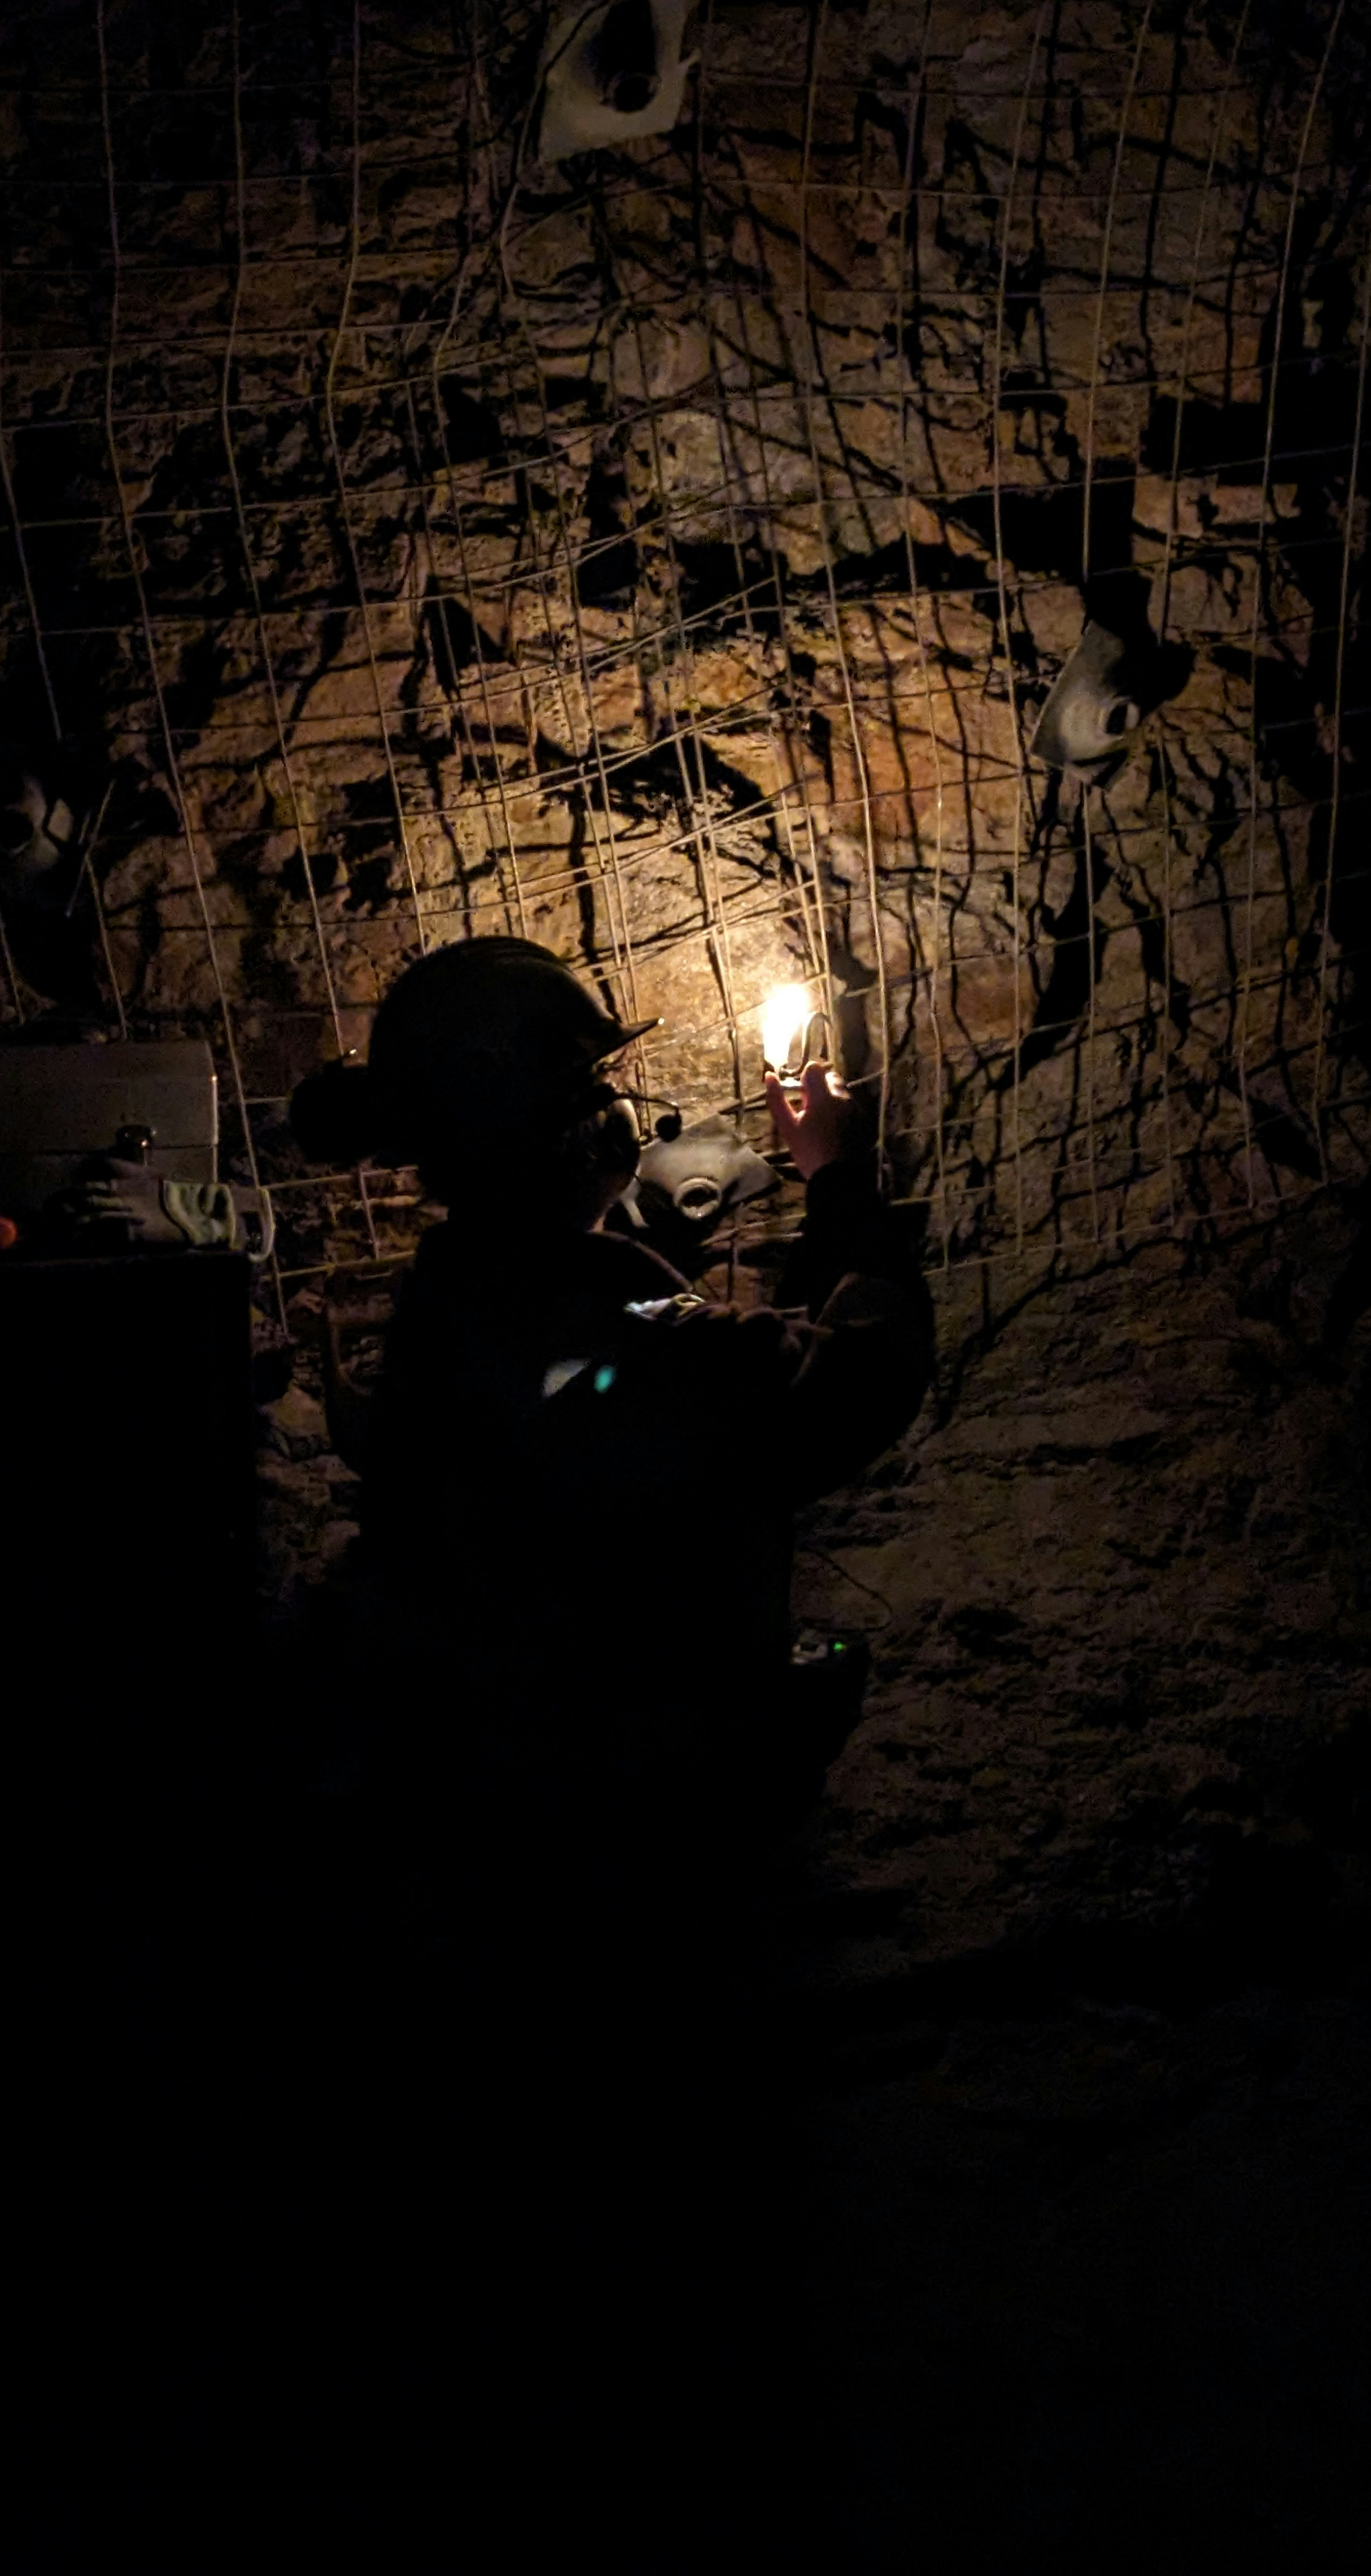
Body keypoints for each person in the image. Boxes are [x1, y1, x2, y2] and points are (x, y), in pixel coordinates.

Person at [285, 936, 932, 2558]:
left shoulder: (451, 1314)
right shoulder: (626, 1366)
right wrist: (838, 1192)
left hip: (488, 1775)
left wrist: (636, 1249)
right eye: (591, 1097)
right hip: (609, 1817)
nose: (616, 1116)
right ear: (545, 1136)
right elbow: (844, 1390)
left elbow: (565, 1354)